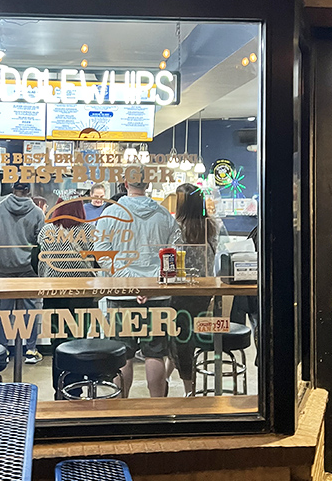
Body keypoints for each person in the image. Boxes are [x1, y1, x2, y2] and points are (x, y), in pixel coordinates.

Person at [93, 165, 182, 398]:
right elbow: (174, 255)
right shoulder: (164, 215)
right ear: (149, 185)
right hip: (158, 294)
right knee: (155, 354)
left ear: (124, 184)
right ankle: (157, 409)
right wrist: (149, 286)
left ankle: (122, 407)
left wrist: (130, 282)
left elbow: (101, 252)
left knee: (122, 354)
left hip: (121, 294)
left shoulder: (111, 213)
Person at [0, 181, 44, 365]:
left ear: (12, 189)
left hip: (5, 269)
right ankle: (30, 350)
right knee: (30, 311)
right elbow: (43, 242)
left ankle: (3, 350)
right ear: (28, 191)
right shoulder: (38, 213)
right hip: (29, 270)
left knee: (5, 310)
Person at [38, 198, 97, 395]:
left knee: (58, 343)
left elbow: (36, 260)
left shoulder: (46, 231)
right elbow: (98, 261)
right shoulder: (89, 230)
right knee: (78, 342)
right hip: (82, 295)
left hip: (53, 295)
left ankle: (60, 389)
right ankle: (77, 386)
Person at [171, 183, 216, 396]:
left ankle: (188, 387)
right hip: (205, 289)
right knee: (187, 334)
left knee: (180, 336)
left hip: (181, 290)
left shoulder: (176, 227)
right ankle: (178, 376)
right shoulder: (212, 225)